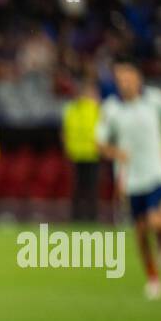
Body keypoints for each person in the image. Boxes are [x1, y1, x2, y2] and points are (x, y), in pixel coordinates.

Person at [96, 62, 161, 299]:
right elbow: (100, 143)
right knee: (141, 233)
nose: (124, 83)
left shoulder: (155, 99)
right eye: (119, 79)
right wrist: (116, 153)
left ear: (138, 78)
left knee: (156, 221)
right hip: (131, 180)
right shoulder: (111, 109)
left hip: (155, 173)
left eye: (127, 78)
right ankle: (153, 278)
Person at [62, 76, 101, 222]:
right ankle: (83, 217)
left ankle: (84, 217)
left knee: (85, 189)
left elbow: (65, 133)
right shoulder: (92, 108)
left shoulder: (74, 109)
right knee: (83, 189)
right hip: (83, 153)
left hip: (88, 153)